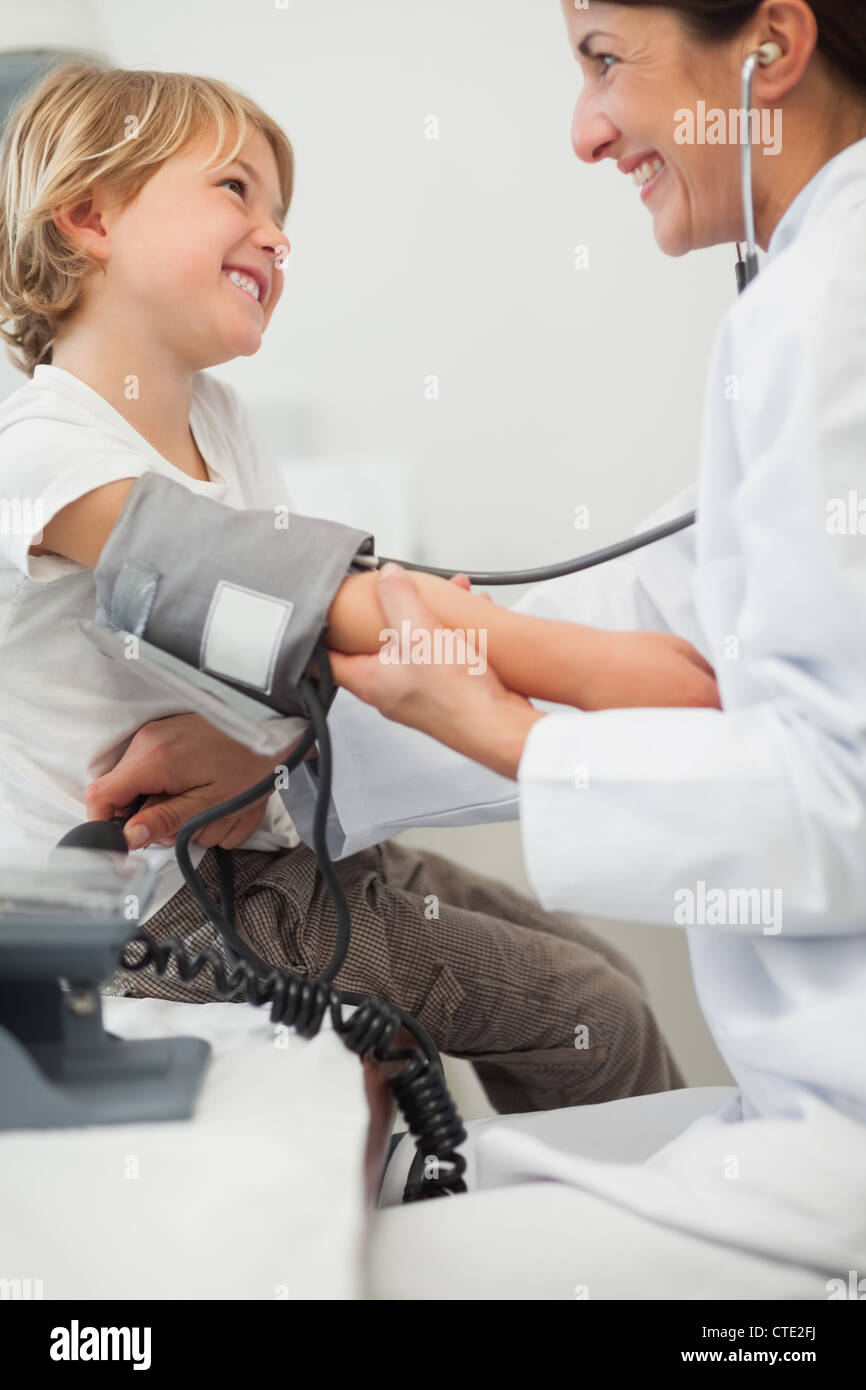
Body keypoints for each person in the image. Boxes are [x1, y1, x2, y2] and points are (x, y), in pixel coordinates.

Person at [0, 60, 717, 1118]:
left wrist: (300, 721)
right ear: (89, 216)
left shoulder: (221, 423)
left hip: (279, 857)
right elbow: (274, 589)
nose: (278, 235)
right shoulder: (42, 452)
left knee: (592, 964)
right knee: (588, 1017)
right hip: (162, 919)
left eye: (282, 212)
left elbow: (286, 668)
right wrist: (588, 664)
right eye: (235, 190)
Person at [306, 0, 866, 1296]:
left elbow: (837, 794)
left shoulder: (828, 310)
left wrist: (499, 726)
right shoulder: (807, 291)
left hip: (835, 1145)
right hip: (802, 1111)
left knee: (319, 1265)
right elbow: (699, 640)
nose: (583, 129)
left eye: (604, 61)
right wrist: (300, 734)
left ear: (768, 48)